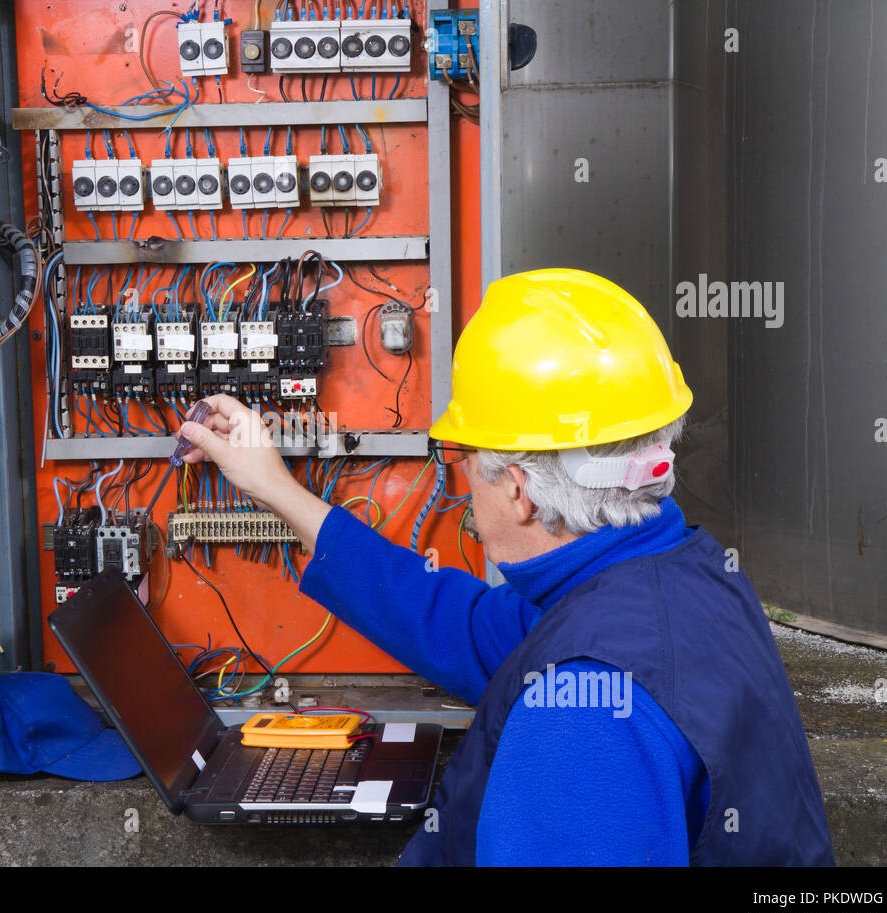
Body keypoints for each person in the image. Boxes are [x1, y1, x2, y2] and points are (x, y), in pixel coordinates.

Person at [177, 268, 833, 866]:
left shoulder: (581, 718)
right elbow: (456, 625)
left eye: (462, 452)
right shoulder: (674, 576)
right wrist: (281, 492)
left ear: (517, 489)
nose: (460, 476)